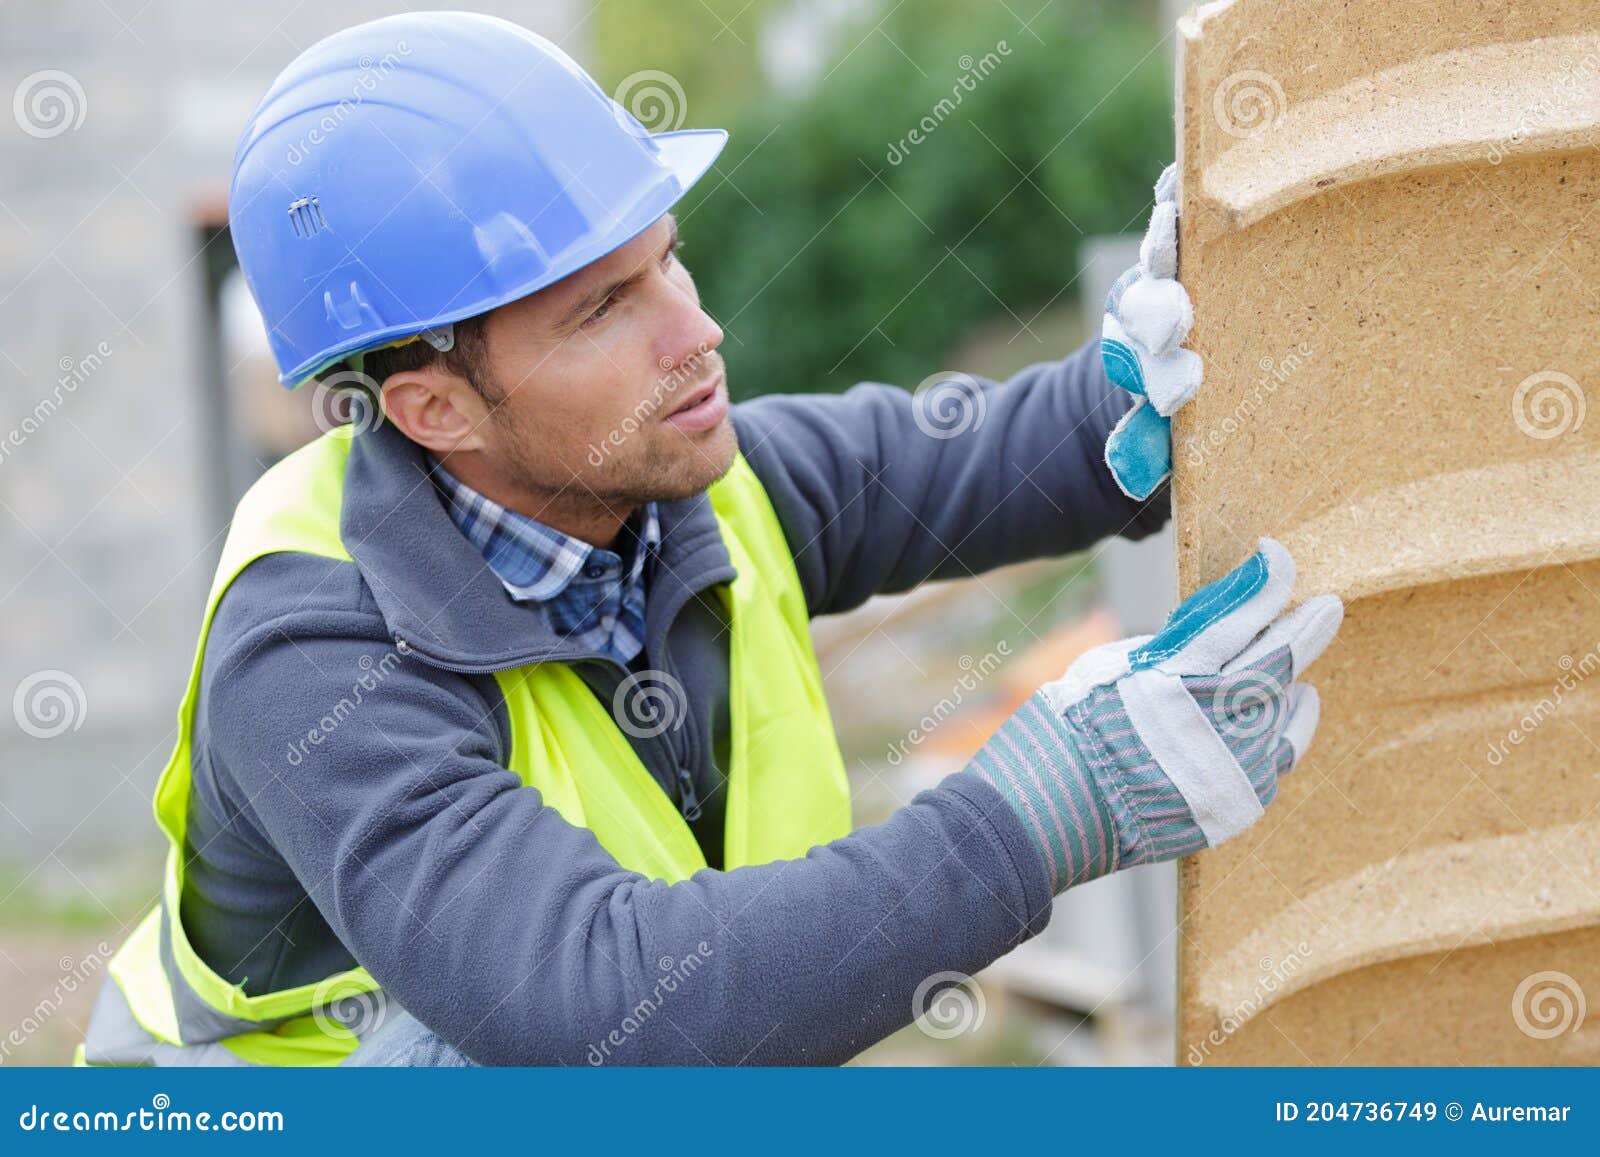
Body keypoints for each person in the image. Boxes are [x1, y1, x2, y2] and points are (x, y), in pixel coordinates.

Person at [78, 11, 1341, 1067]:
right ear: (433, 407)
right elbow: (599, 1009)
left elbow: (993, 453)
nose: (693, 334)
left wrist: (1148, 383)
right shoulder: (312, 653)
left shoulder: (690, 475)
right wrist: (1043, 810)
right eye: (603, 309)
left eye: (665, 264)